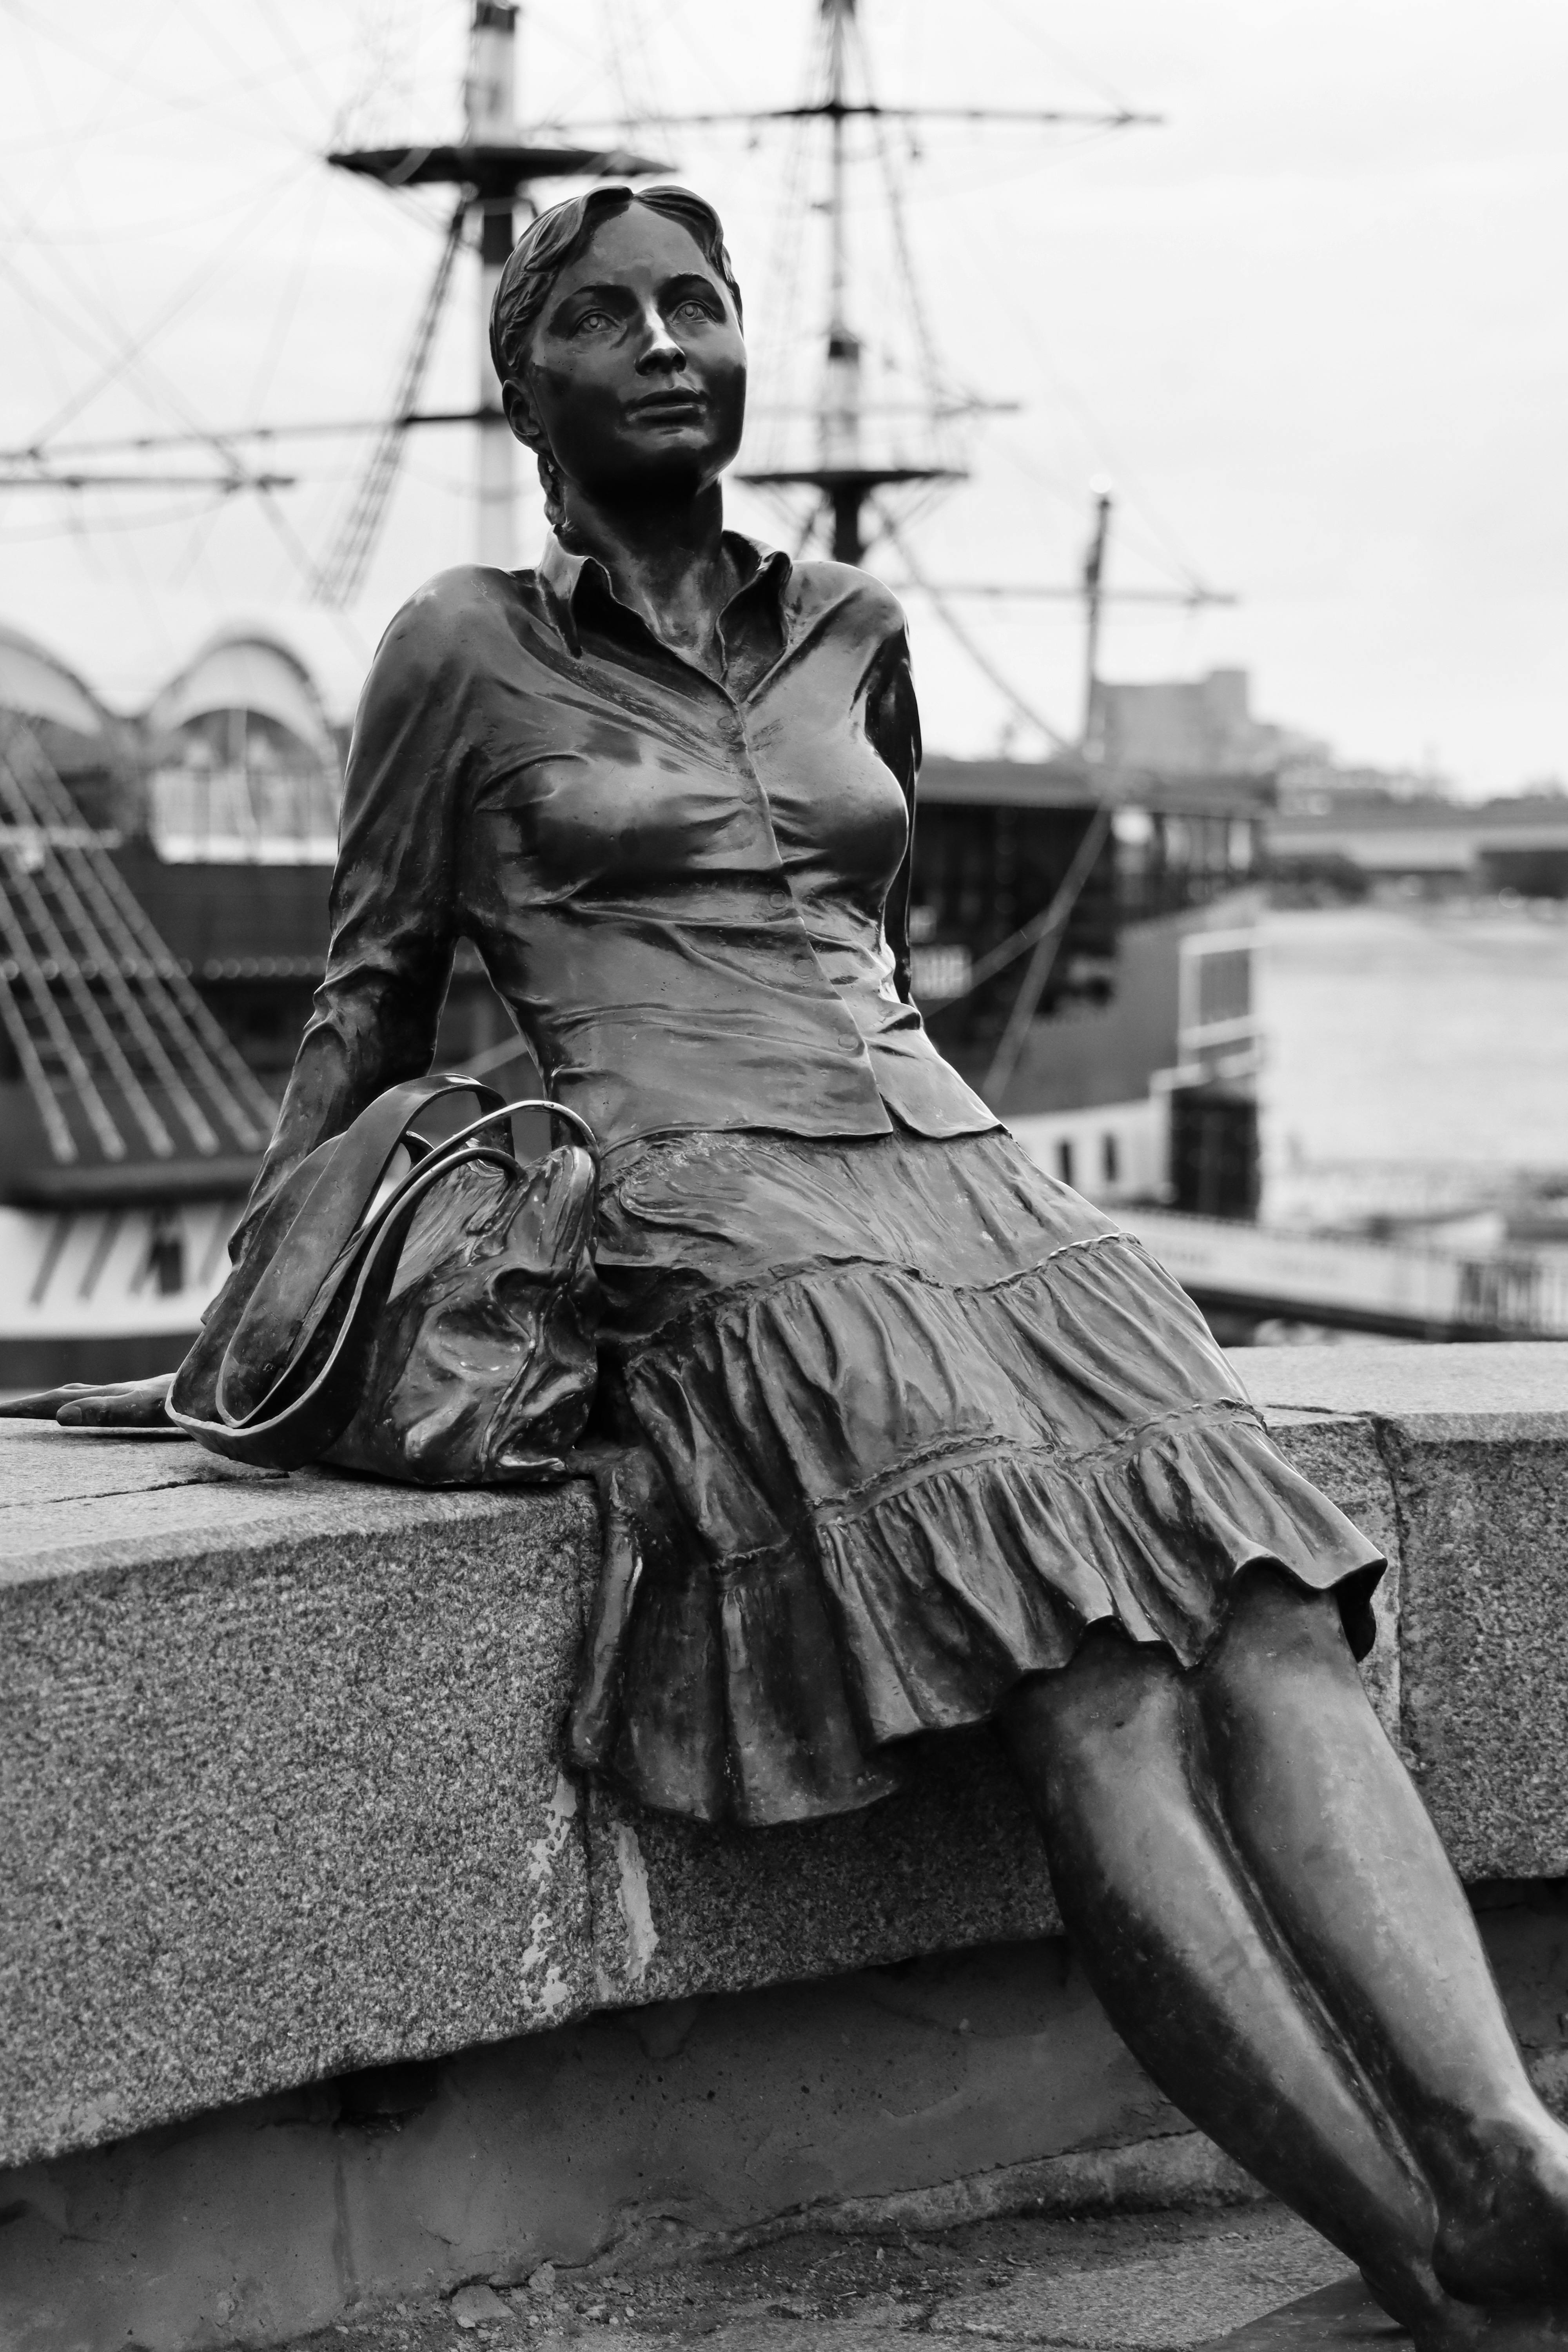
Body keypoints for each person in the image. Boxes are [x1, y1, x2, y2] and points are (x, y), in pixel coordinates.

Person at [42, 187, 1568, 2347]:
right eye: (606, 317)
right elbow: (364, 1005)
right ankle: (1430, 2264)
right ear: (527, 387)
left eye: (700, 304)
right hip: (703, 1209)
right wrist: (252, 1339)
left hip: (969, 1185)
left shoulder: (852, 623)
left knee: (1269, 1607)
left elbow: (885, 944)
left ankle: (1510, 2161)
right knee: (1095, 1685)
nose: (667, 340)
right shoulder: (460, 650)